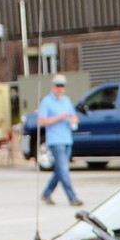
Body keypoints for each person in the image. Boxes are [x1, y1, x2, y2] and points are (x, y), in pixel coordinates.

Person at [38, 74, 82, 206]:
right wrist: (59, 117)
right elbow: (42, 121)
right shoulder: (46, 101)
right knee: (63, 170)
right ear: (52, 87)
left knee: (60, 170)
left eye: (62, 86)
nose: (59, 89)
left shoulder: (67, 101)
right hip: (55, 140)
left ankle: (47, 193)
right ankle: (72, 197)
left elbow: (73, 116)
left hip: (67, 139)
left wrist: (74, 119)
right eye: (57, 86)